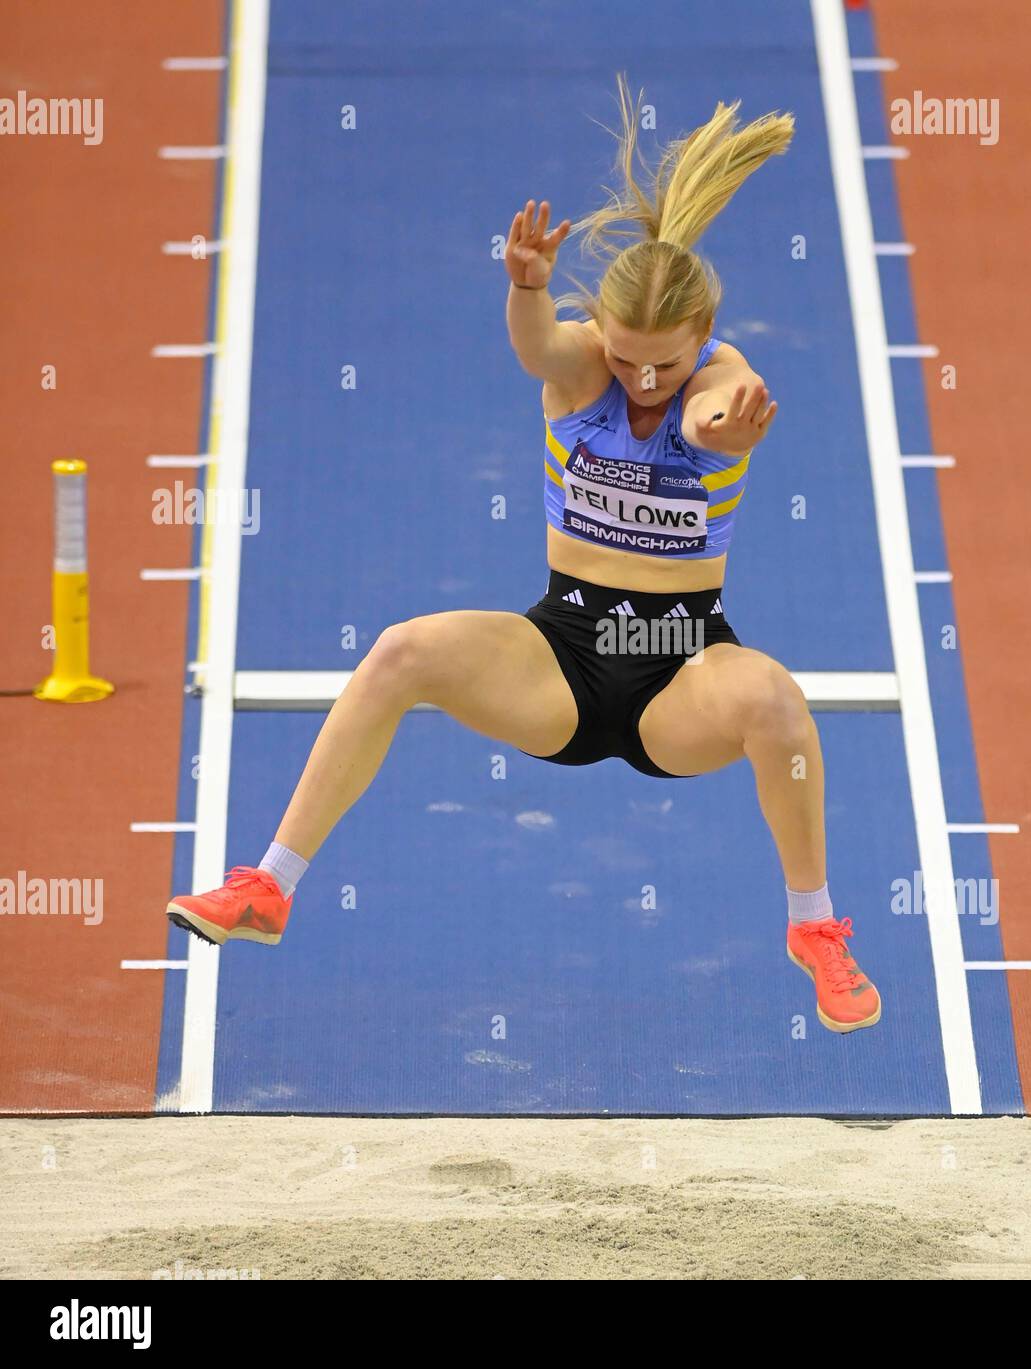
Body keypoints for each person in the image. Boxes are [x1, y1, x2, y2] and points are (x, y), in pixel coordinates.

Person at [167, 79, 881, 1034]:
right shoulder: (583, 363)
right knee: (400, 652)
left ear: (702, 339)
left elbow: (714, 423)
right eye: (628, 357)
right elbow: (540, 345)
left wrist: (725, 429)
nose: (643, 378)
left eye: (664, 362)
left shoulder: (721, 381)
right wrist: (528, 288)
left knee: (777, 701)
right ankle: (269, 885)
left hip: (684, 669)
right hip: (564, 652)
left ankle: (814, 930)